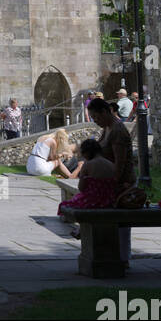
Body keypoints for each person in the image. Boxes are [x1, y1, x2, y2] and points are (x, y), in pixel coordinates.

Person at [89, 97, 136, 267]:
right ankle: (107, 256)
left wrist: (114, 186)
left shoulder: (118, 130)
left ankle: (122, 260)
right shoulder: (107, 128)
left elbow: (120, 163)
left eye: (97, 117)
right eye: (93, 119)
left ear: (105, 112)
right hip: (108, 182)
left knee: (121, 226)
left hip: (122, 184)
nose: (96, 121)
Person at [57, 139, 117, 217]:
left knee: (64, 204)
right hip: (110, 200)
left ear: (87, 153)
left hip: (94, 201)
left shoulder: (88, 165)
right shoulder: (111, 164)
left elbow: (81, 187)